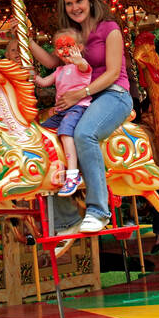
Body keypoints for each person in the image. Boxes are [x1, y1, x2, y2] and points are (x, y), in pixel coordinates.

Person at [25, 0, 133, 233]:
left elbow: (113, 72)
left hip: (113, 94)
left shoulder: (110, 29)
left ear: (90, 1)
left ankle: (99, 210)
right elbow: (53, 62)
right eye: (69, 4)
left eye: (79, 1)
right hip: (86, 100)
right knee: (44, 138)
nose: (75, 7)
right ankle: (65, 213)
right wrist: (27, 40)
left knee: (85, 133)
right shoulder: (72, 36)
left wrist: (79, 93)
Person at [35, 30, 93, 196]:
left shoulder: (82, 67)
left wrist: (79, 60)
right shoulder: (59, 70)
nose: (66, 51)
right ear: (55, 51)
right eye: (61, 47)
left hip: (78, 108)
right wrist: (31, 75)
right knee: (41, 131)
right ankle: (51, 166)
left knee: (66, 132)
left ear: (79, 47)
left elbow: (83, 66)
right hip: (61, 111)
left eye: (70, 46)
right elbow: (43, 82)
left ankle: (73, 174)